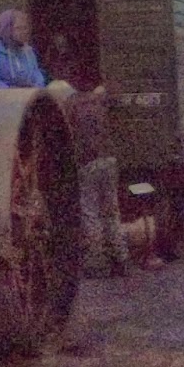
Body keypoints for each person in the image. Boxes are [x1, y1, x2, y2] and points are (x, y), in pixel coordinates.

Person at [71, 85, 128, 277]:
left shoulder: (73, 107)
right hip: (109, 160)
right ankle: (120, 259)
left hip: (88, 163)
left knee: (91, 214)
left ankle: (97, 262)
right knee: (111, 212)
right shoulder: (100, 105)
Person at [0, 9, 46, 90]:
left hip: (28, 94)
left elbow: (36, 72)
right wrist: (8, 91)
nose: (23, 32)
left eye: (25, 28)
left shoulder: (28, 50)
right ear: (6, 30)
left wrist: (39, 86)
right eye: (18, 28)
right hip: (3, 96)